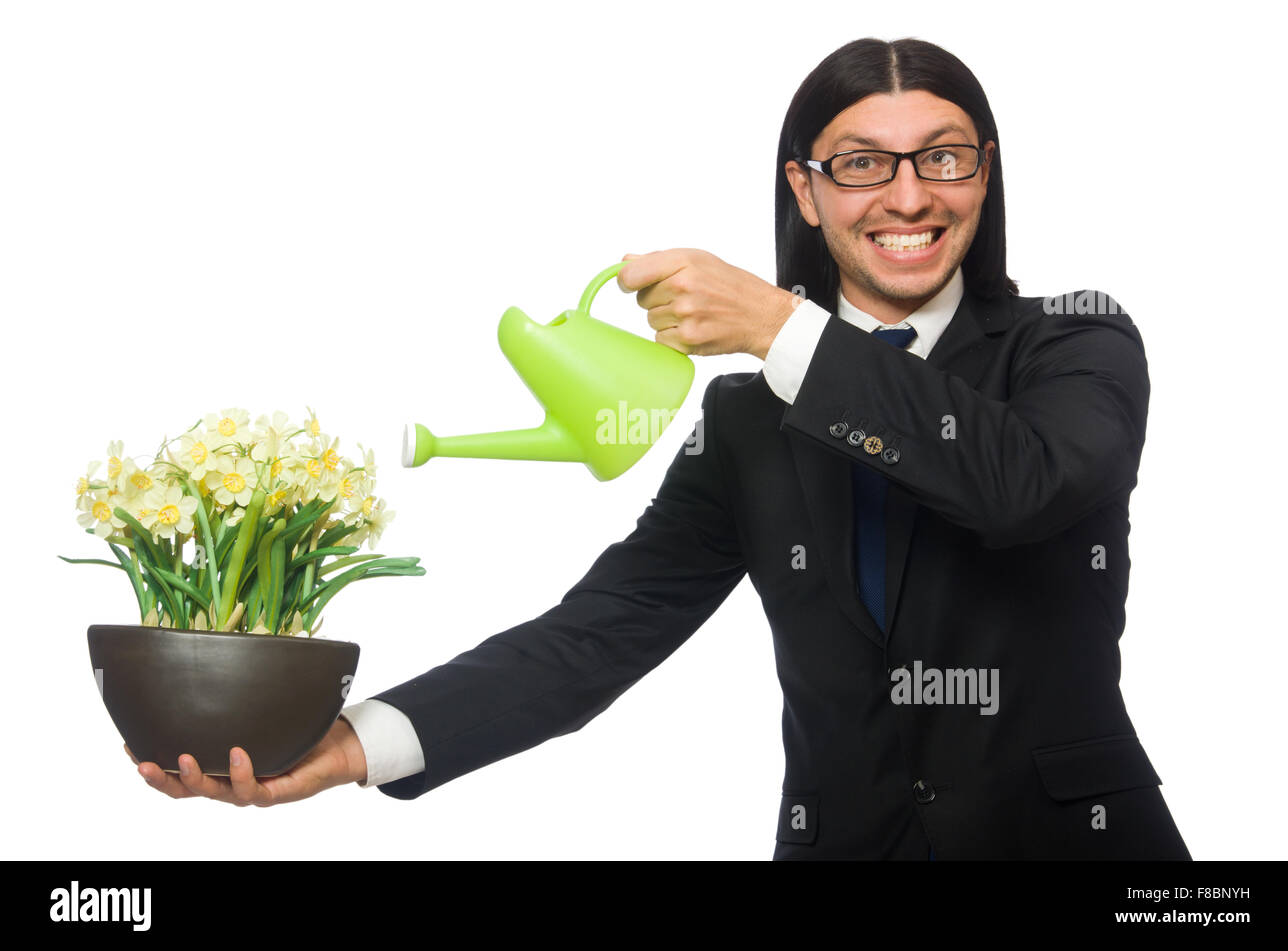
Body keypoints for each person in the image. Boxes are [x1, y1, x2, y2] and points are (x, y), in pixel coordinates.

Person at [133, 36, 1191, 860]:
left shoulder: (1076, 343)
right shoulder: (746, 421)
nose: (908, 196)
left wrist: (778, 326)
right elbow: (600, 631)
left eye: (942, 157)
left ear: (983, 173)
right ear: (805, 190)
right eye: (863, 163)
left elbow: (1021, 487)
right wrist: (354, 746)